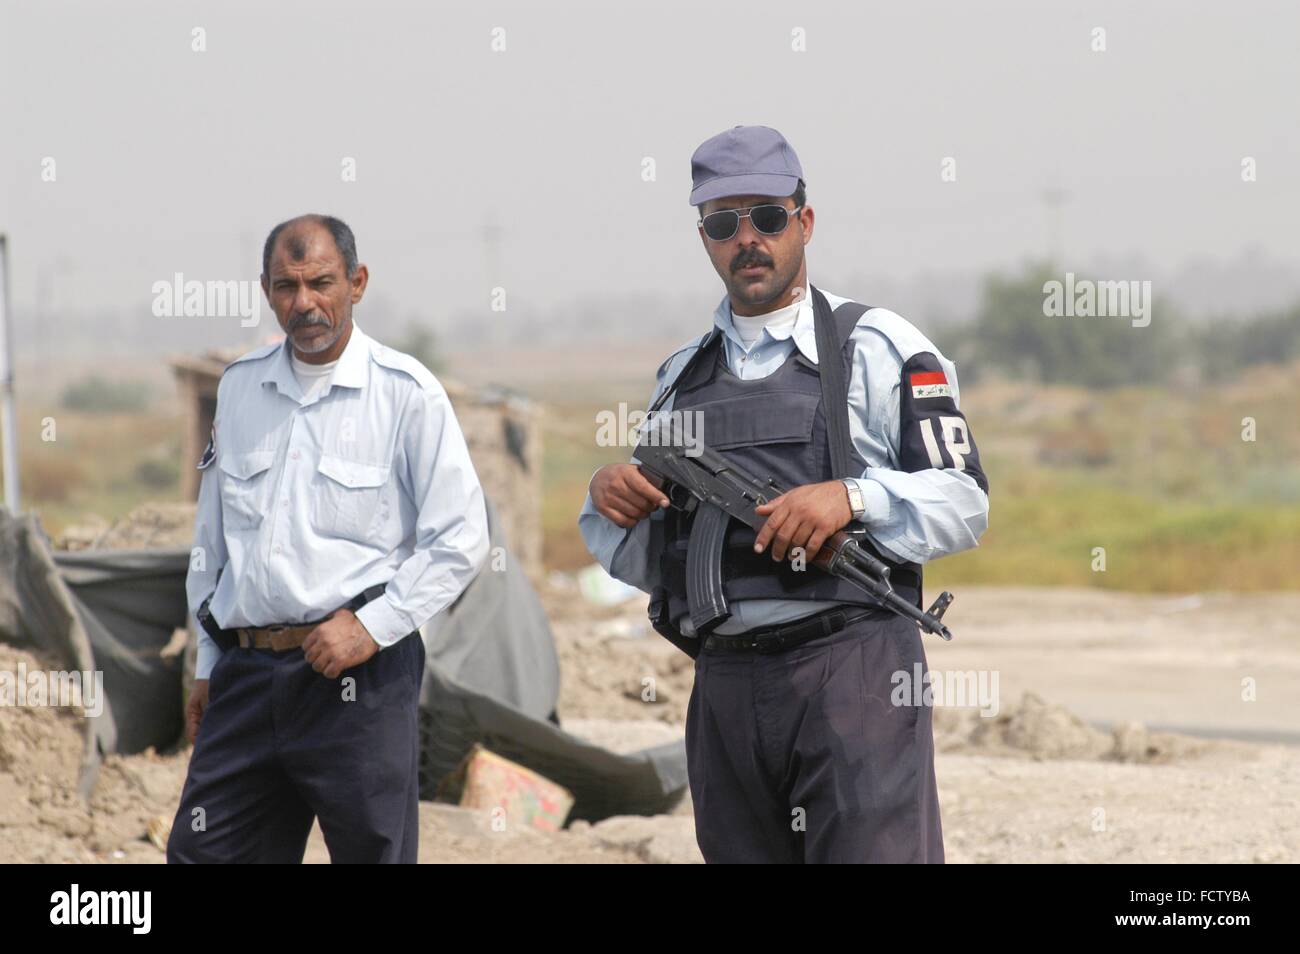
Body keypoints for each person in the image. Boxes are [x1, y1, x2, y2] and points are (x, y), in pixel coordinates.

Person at [579, 126, 990, 863]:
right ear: (703, 236)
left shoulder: (878, 345)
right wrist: (615, 496)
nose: (748, 240)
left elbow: (965, 501)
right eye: (722, 223)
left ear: (804, 222)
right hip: (727, 680)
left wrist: (852, 499)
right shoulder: (682, 377)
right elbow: (651, 557)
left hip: (852, 672)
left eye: (767, 217)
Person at [167, 214, 489, 863]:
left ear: (357, 282)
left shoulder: (406, 394)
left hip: (357, 683)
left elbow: (461, 537)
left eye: (321, 282)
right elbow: (213, 543)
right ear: (266, 291)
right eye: (287, 286)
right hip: (246, 674)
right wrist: (207, 662)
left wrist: (372, 627)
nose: (305, 303)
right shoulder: (239, 389)